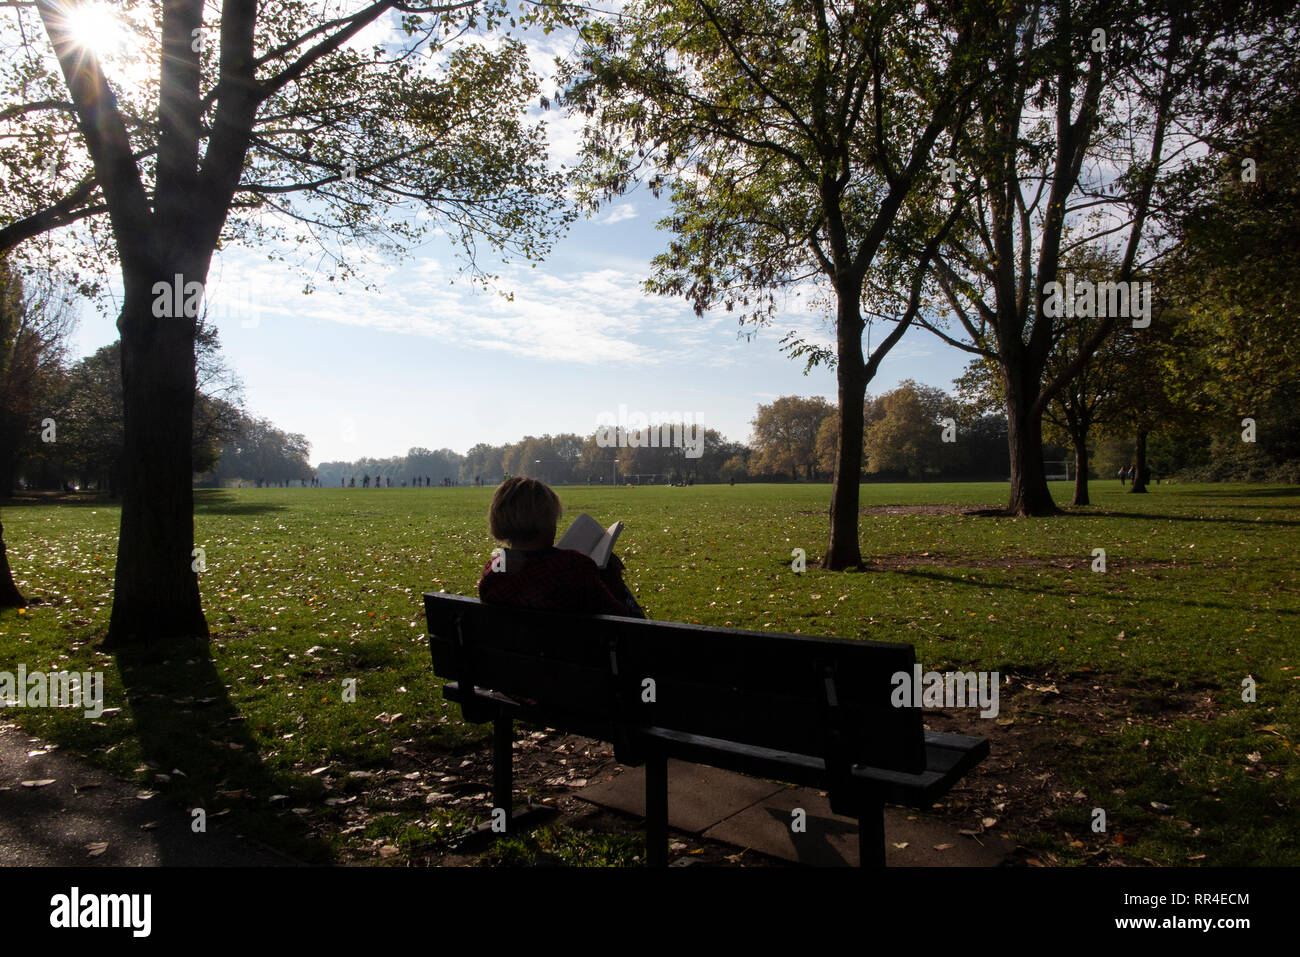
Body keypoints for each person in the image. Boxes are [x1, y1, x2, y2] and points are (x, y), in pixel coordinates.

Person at [478, 477, 644, 618]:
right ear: (547, 522)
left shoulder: (494, 572)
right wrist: (612, 578)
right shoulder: (573, 568)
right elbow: (624, 619)